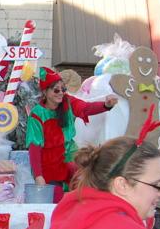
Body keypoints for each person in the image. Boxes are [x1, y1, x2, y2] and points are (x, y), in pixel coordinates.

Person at [26, 67, 118, 202]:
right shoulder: (37, 115)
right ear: (45, 92)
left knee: (80, 199)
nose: (61, 93)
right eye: (56, 90)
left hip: (71, 159)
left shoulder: (67, 102)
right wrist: (39, 175)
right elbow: (34, 147)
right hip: (50, 166)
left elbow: (85, 108)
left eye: (63, 89)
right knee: (56, 203)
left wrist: (106, 105)